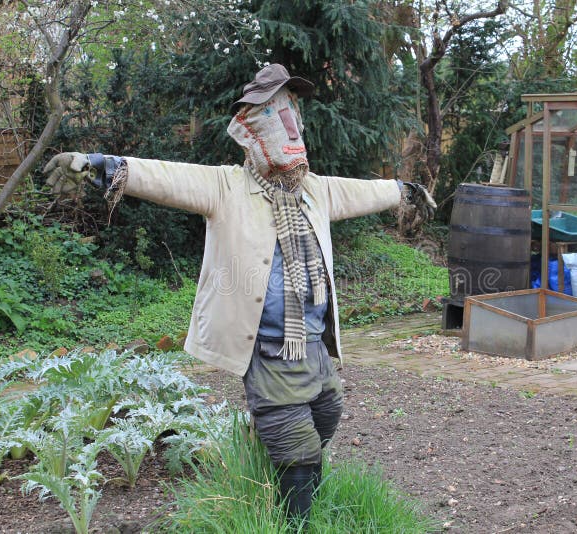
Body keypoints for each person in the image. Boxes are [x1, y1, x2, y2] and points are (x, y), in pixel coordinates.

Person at [43, 63, 436, 523]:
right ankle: (296, 524)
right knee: (295, 442)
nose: (289, 119)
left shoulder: (315, 190)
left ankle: (297, 490)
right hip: (269, 348)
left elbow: (363, 192)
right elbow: (169, 177)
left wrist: (402, 190)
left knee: (326, 417)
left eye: (290, 107)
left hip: (313, 345)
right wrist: (100, 165)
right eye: (275, 109)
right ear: (249, 126)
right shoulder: (226, 187)